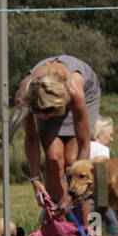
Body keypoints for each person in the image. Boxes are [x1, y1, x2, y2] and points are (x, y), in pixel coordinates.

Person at [15, 55, 98, 207]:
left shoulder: (75, 91)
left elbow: (84, 145)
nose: (46, 118)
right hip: (44, 97)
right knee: (54, 160)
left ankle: (84, 227)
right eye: (42, 114)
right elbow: (31, 139)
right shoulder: (26, 96)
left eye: (50, 112)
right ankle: (57, 220)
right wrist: (34, 178)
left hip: (84, 93)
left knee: (72, 161)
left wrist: (70, 194)